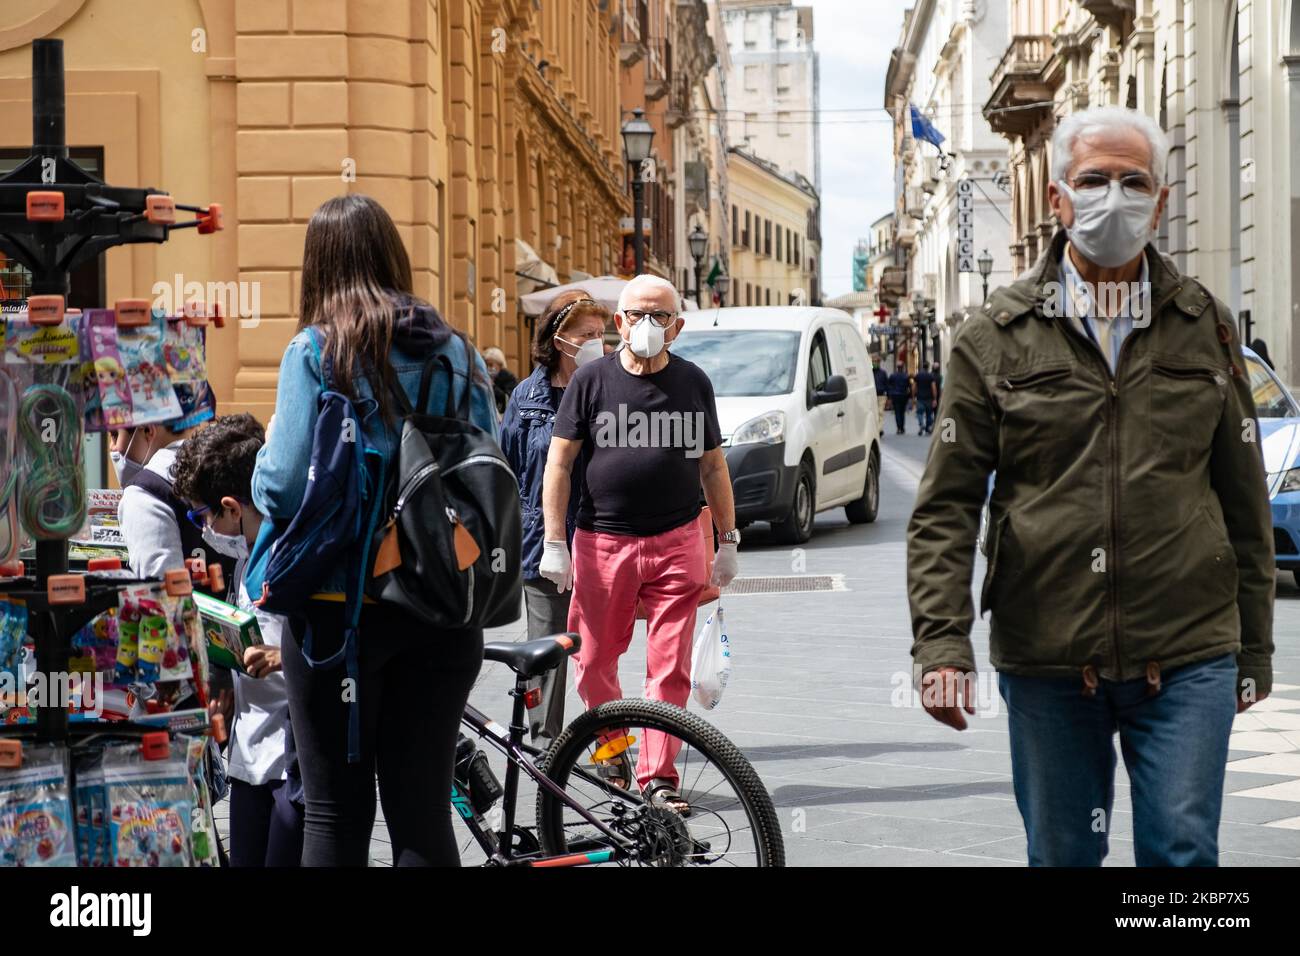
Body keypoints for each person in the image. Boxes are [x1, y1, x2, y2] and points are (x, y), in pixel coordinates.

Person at [907, 105, 1274, 867]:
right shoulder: (994, 337)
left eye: (1133, 182)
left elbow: (1243, 496)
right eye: (1094, 180)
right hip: (1047, 652)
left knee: (1181, 854)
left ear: (1162, 201)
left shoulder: (1204, 324)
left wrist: (1256, 647)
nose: (1115, 197)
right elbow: (945, 507)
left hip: (1187, 650)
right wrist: (943, 643)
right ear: (1056, 198)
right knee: (1064, 854)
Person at [251, 194, 498, 867]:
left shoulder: (316, 352)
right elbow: (488, 466)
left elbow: (278, 486)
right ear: (394, 258)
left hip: (343, 614)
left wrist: (266, 458)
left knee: (335, 810)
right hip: (444, 605)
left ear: (318, 267)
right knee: (421, 810)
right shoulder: (460, 353)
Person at [539, 274, 740, 812]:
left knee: (668, 668)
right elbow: (559, 462)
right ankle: (615, 751)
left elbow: (713, 466)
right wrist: (553, 540)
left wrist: (728, 539)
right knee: (594, 661)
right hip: (602, 543)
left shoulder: (693, 382)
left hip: (676, 540)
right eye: (637, 314)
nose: (647, 324)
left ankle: (659, 779)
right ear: (620, 321)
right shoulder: (591, 382)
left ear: (677, 327)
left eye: (660, 316)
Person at [171, 413, 304, 868]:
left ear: (231, 506)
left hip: (289, 763)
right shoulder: (247, 554)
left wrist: (281, 656)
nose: (202, 527)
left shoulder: (287, 556)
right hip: (250, 757)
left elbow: (331, 643)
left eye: (203, 516)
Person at [499, 290, 610, 740]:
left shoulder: (606, 387)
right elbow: (509, 467)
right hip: (542, 545)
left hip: (600, 537)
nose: (598, 344)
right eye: (588, 335)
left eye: (602, 335)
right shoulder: (525, 397)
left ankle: (612, 761)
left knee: (598, 657)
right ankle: (548, 753)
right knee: (546, 658)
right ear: (559, 339)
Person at [113, 420, 235, 589]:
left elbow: (162, 592)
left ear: (148, 430)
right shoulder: (228, 461)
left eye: (115, 435)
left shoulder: (144, 493)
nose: (113, 448)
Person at [483, 346, 517, 415]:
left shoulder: (509, 377)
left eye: (491, 364)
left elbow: (508, 399)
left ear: (500, 365)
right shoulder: (484, 376)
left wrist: (493, 386)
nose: (488, 368)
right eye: (486, 364)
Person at [887, 361, 912, 435]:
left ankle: (899, 428)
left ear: (897, 368)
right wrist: (910, 396)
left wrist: (890, 395)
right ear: (903, 367)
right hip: (903, 395)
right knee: (902, 412)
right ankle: (902, 427)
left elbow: (889, 385)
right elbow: (909, 386)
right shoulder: (906, 376)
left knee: (897, 412)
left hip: (895, 395)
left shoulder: (893, 376)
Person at [913, 363, 937, 435]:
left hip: (920, 398)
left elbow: (914, 387)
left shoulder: (918, 376)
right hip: (929, 398)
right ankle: (928, 428)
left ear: (922, 367)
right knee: (929, 414)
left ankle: (921, 424)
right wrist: (935, 398)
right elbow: (933, 388)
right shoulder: (930, 376)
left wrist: (913, 396)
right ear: (928, 367)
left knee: (919, 413)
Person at [871, 354, 888, 438]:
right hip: (872, 396)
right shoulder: (869, 372)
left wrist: (888, 396)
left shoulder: (883, 373)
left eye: (876, 361)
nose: (874, 363)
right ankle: (876, 429)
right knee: (874, 413)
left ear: (879, 362)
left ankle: (879, 430)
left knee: (880, 413)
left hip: (881, 395)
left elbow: (886, 384)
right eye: (873, 361)